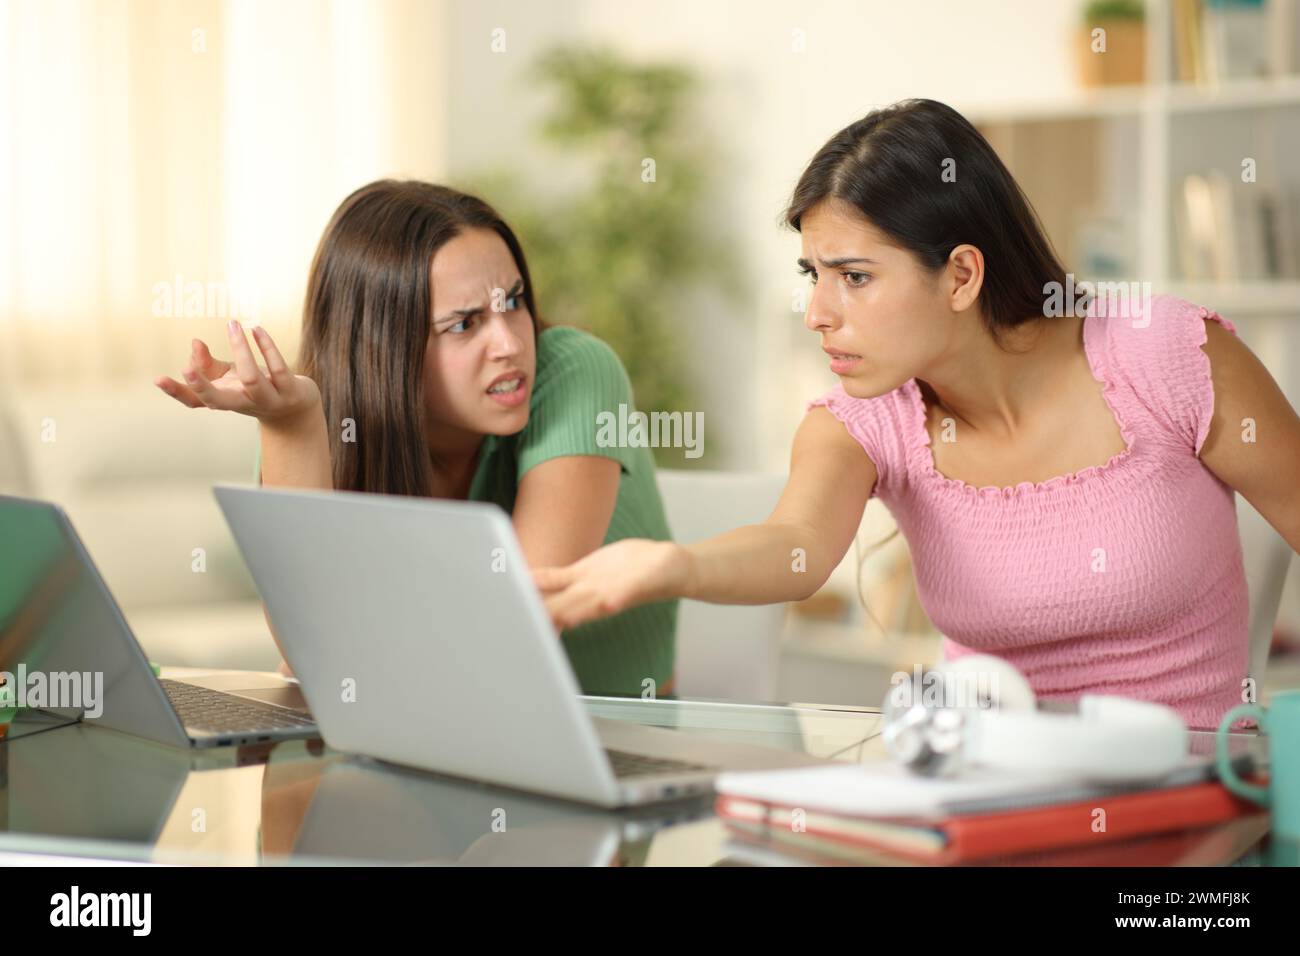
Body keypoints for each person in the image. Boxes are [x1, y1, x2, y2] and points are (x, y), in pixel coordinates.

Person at [532, 99, 1300, 730]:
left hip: (1191, 808)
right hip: (982, 803)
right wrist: (680, 564)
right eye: (813, 275)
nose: (818, 314)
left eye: (855, 277)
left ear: (962, 273)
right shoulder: (862, 420)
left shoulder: (1164, 355)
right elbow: (795, 547)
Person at [156, 180, 678, 697]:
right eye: (465, 324)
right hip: (421, 731)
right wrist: (290, 426)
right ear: (383, 349)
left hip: (615, 738)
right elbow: (313, 656)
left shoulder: (576, 373)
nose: (510, 342)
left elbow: (510, 642)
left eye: (513, 301)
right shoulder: (313, 416)